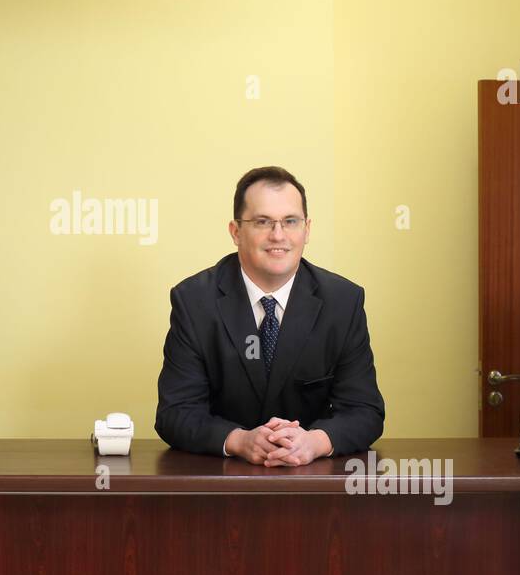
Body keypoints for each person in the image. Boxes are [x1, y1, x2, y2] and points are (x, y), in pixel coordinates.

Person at [155, 166, 385, 465]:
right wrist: (239, 440)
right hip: (221, 484)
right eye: (263, 222)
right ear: (236, 232)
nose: (278, 235)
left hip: (314, 485)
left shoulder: (342, 301)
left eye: (290, 221)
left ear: (307, 229)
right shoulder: (194, 301)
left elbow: (365, 411)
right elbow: (175, 413)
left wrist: (313, 442)